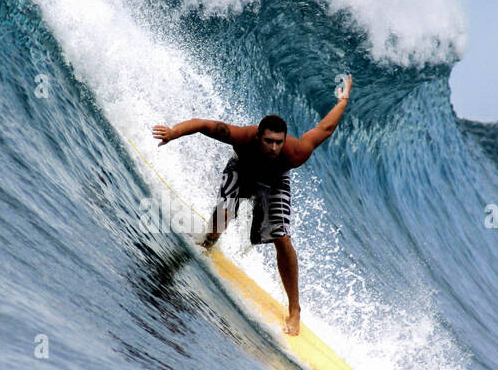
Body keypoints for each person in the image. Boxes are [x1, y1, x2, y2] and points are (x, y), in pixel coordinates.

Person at [151, 74, 353, 336]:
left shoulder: (296, 151)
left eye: (278, 141)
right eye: (269, 141)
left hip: (275, 182)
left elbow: (325, 128)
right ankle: (209, 242)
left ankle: (295, 310)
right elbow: (203, 124)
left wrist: (343, 100)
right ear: (259, 136)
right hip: (242, 169)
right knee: (222, 217)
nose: (273, 147)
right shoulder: (243, 137)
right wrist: (174, 132)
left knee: (282, 238)